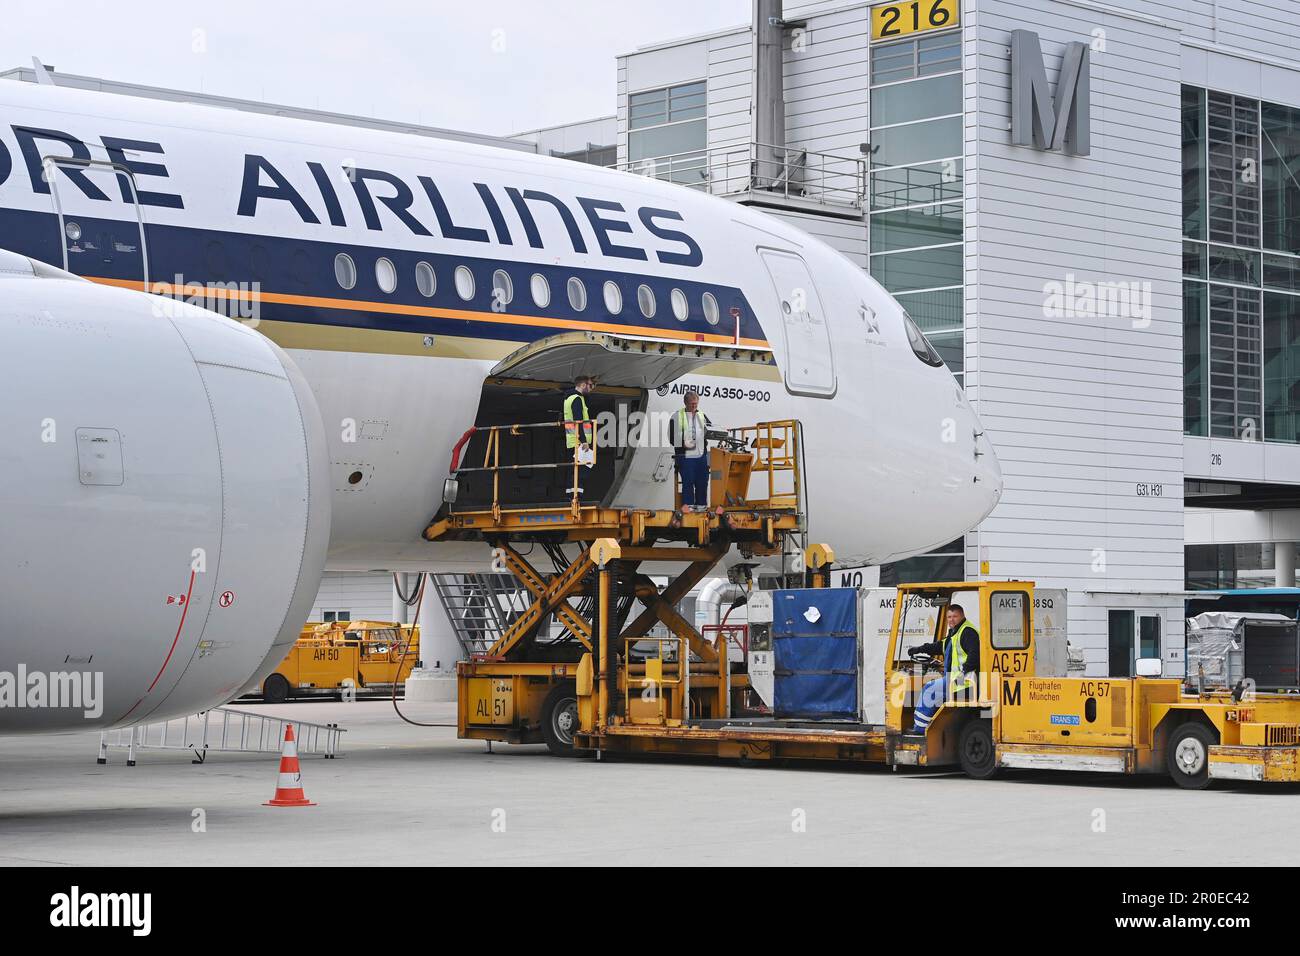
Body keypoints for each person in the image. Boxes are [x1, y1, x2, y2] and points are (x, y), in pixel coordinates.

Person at [906, 604, 980, 734]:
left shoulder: (967, 632)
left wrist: (962, 674)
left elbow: (975, 656)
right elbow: (939, 646)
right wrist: (919, 649)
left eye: (955, 616)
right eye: (949, 617)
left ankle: (920, 728)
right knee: (934, 690)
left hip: (963, 681)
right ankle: (933, 727)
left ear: (962, 616)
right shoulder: (954, 633)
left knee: (929, 689)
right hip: (956, 679)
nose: (951, 620)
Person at [669, 389, 711, 510]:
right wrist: (685, 443)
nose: (694, 406)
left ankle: (701, 507)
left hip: (700, 455)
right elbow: (672, 437)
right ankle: (688, 508)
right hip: (685, 455)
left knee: (702, 481)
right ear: (685, 403)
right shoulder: (677, 416)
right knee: (689, 481)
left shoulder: (701, 415)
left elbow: (710, 430)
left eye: (696, 403)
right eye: (692, 404)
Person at [562, 375, 595, 457]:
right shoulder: (577, 399)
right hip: (579, 443)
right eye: (590, 385)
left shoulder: (570, 398)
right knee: (584, 464)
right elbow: (578, 421)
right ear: (583, 385)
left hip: (574, 441)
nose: (592, 388)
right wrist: (584, 441)